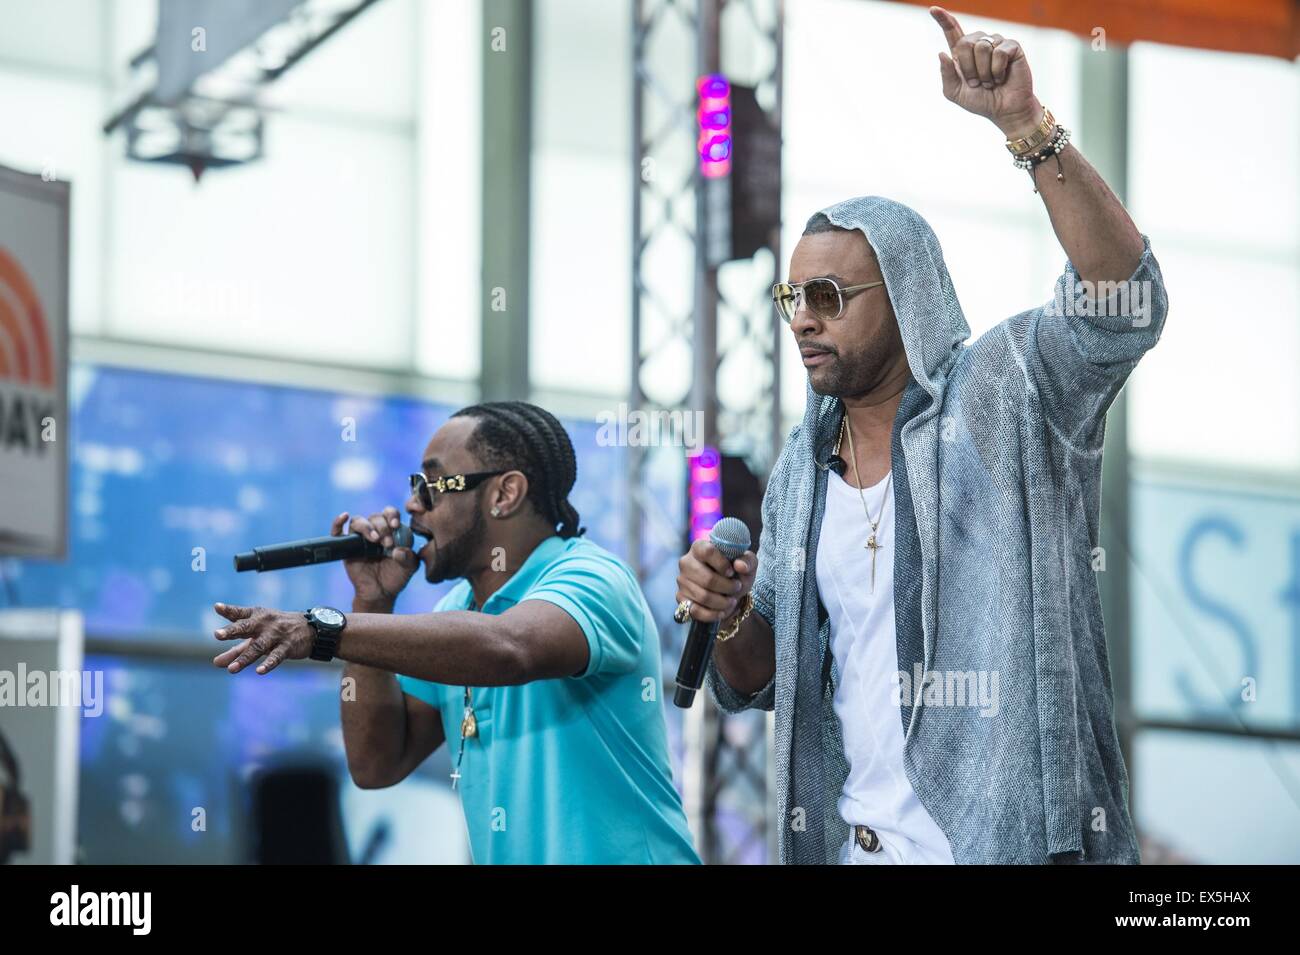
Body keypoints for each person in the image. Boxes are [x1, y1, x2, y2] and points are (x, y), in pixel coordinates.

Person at [674, 6, 1167, 864]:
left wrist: (1026, 126)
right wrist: (726, 616)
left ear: (907, 300)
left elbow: (1121, 306)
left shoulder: (1006, 392)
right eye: (793, 300)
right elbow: (757, 679)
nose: (802, 322)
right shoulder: (801, 471)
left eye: (829, 298)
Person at [213, 401, 699, 865]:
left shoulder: (592, 578)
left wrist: (323, 629)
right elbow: (376, 764)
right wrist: (372, 603)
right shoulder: (457, 611)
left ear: (504, 494)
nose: (411, 505)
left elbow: (510, 649)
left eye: (431, 484)